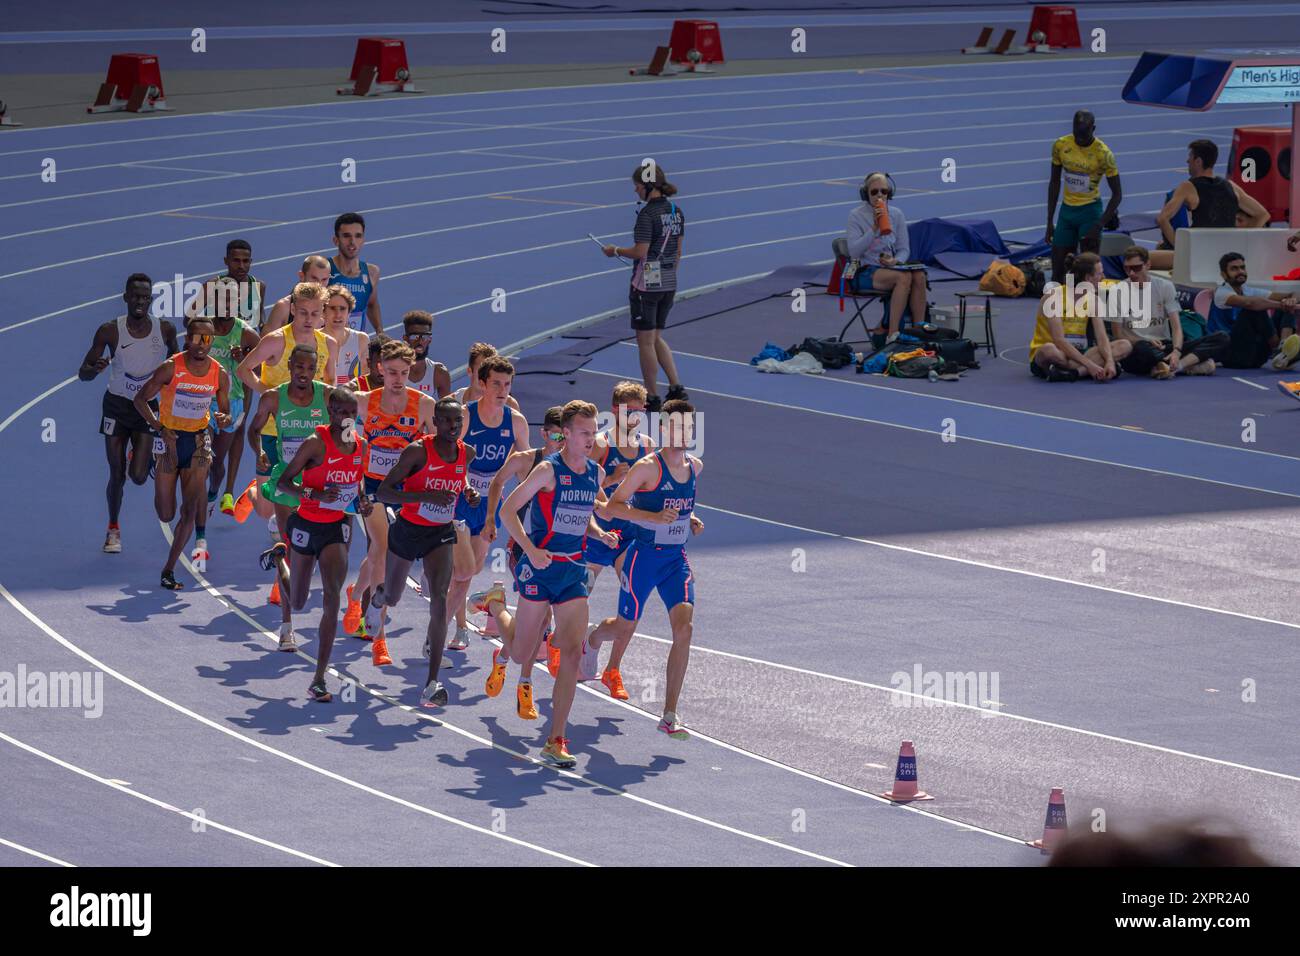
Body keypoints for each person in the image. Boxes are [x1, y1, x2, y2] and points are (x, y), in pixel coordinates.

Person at [499, 400, 617, 767]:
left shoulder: (595, 474)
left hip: (572, 573)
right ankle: (495, 606)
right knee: (521, 654)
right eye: (583, 432)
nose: (591, 438)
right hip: (540, 568)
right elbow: (507, 511)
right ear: (565, 434)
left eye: (594, 431)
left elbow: (582, 515)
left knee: (570, 653)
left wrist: (601, 534)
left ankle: (556, 739)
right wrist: (531, 550)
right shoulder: (547, 471)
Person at [586, 400, 702, 737]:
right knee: (624, 628)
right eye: (677, 427)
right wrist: (651, 518)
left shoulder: (695, 467)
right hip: (643, 559)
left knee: (685, 629)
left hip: (674, 562)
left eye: (688, 428)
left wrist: (690, 519)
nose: (683, 434)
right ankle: (593, 639)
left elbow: (681, 505)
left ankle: (669, 714)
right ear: (664, 428)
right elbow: (611, 509)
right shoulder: (647, 468)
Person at [374, 397, 481, 707]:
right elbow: (383, 491)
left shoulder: (466, 453)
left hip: (441, 533)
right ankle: (377, 598)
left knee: (440, 601)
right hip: (408, 529)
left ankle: (432, 683)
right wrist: (425, 495)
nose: (453, 427)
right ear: (435, 421)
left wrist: (468, 491)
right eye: (447, 421)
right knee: (392, 597)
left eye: (458, 422)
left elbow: (458, 476)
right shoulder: (418, 451)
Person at [275, 386, 372, 703]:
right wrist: (314, 495)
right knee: (300, 601)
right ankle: (280, 560)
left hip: (337, 527)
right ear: (330, 413)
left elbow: (356, 481)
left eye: (352, 414)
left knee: (332, 598)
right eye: (341, 412)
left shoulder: (362, 445)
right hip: (306, 523)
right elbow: (284, 483)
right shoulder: (315, 444)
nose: (347, 418)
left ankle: (318, 678)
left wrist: (361, 500)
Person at [233, 283, 338, 575]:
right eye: (302, 312)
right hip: (273, 431)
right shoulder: (276, 340)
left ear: (322, 314)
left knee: (305, 497)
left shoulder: (328, 343)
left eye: (315, 313)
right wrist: (267, 389)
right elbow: (243, 369)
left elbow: (331, 384)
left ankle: (294, 564)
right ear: (292, 310)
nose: (308, 318)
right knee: (267, 509)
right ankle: (256, 492)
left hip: (310, 433)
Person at [347, 340, 440, 664]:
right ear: (380, 370)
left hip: (405, 488)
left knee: (384, 553)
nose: (398, 379)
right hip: (372, 486)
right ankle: (379, 637)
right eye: (392, 373)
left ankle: (357, 594)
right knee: (383, 548)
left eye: (404, 373)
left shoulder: (425, 405)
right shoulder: (362, 401)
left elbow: (438, 446)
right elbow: (333, 403)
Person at [476, 405, 566, 720]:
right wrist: (491, 517)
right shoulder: (525, 460)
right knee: (540, 621)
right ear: (544, 434)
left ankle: (506, 654)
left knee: (539, 625)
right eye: (556, 435)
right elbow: (497, 482)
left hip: (558, 554)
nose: (561, 442)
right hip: (524, 550)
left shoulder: (574, 466)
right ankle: (497, 610)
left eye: (565, 436)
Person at [79, 273, 179, 553]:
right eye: (135, 296)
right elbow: (82, 374)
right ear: (125, 297)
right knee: (117, 473)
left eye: (145, 297)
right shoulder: (109, 331)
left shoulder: (166, 330)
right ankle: (113, 528)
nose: (140, 301)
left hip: (145, 407)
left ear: (150, 300)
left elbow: (177, 367)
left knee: (137, 476)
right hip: (117, 406)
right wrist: (94, 369)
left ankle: (140, 455)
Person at [132, 317, 232, 590]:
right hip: (169, 440)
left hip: (199, 441)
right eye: (196, 338)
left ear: (213, 341)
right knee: (166, 513)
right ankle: (156, 472)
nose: (201, 344)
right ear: (187, 338)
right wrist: (158, 427)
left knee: (188, 511)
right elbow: (140, 399)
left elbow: (224, 410)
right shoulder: (170, 368)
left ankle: (169, 569)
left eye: (207, 339)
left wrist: (223, 418)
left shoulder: (219, 373)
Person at [245, 346, 330, 650]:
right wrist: (260, 454)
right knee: (294, 551)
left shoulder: (328, 397)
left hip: (320, 484)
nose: (304, 373)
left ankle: (282, 559)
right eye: (299, 367)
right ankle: (286, 627)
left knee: (324, 555)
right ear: (290, 366)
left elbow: (347, 431)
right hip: (286, 482)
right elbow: (253, 430)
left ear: (316, 369)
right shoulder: (273, 397)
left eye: (310, 368)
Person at [445, 355, 531, 651]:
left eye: (507, 384)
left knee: (469, 571)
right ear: (482, 384)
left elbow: (525, 467)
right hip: (459, 499)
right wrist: (465, 484)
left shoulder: (516, 422)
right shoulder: (466, 416)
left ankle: (459, 627)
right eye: (496, 383)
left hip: (489, 505)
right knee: (465, 570)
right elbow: (451, 458)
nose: (502, 389)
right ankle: (441, 632)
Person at [603, 161, 688, 413]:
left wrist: (614, 250)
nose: (636, 191)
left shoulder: (647, 215)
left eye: (638, 186)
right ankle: (675, 386)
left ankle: (651, 396)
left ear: (649, 186)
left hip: (646, 283)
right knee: (656, 337)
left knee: (645, 342)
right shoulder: (676, 210)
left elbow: (640, 251)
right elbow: (679, 250)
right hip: (669, 279)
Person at [188, 262, 261, 544]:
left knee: (217, 465)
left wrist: (243, 355)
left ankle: (214, 492)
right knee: (203, 459)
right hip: (204, 402)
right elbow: (189, 351)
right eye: (222, 299)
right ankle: (198, 516)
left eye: (232, 300)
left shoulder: (246, 333)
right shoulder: (204, 326)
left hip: (232, 405)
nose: (227, 304)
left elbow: (264, 363)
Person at [1149, 140, 1268, 271]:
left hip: (1199, 255)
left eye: (1190, 158)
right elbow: (1262, 215)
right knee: (1160, 247)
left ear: (1198, 161)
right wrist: (1241, 240)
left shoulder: (1188, 187)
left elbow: (1162, 218)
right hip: (1226, 254)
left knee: (1142, 259)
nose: (1187, 162)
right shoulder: (1232, 186)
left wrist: (1180, 248)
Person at [584, 381, 654, 596]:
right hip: (597, 532)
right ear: (615, 410)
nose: (635, 417)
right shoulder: (600, 444)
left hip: (629, 534)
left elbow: (654, 486)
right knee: (576, 597)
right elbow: (581, 486)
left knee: (632, 591)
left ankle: (619, 630)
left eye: (640, 411)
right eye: (630, 411)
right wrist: (611, 479)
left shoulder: (647, 445)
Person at [1112, 246, 1225, 377]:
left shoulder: (1164, 286)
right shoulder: (1118, 291)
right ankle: (1183, 364)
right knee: (1143, 350)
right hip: (1138, 348)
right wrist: (1141, 341)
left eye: (1136, 268)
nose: (1131, 273)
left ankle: (1173, 366)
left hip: (1164, 345)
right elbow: (1118, 334)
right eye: (1127, 269)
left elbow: (1176, 327)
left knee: (1221, 337)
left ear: (1148, 265)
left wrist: (1176, 351)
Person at [845, 172, 929, 343]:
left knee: (919, 275)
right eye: (874, 192)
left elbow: (904, 249)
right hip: (865, 270)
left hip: (890, 267)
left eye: (883, 191)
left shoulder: (896, 214)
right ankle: (892, 334)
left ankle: (919, 328)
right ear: (865, 194)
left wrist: (895, 261)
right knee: (903, 277)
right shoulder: (856, 215)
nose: (879, 196)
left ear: (889, 193)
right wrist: (874, 228)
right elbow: (853, 252)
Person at [1028, 253, 1133, 381]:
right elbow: (1059, 340)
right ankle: (1084, 370)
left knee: (1124, 345)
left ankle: (1073, 373)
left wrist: (1110, 361)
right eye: (1100, 274)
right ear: (1088, 278)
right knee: (1049, 350)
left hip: (1082, 352)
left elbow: (1101, 337)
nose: (1104, 277)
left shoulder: (1093, 300)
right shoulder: (1054, 297)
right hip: (1057, 352)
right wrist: (1090, 364)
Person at [1046, 110, 1122, 283]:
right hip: (1066, 213)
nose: (1079, 139)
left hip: (1090, 213)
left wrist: (1099, 224)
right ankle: (1060, 309)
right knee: (1059, 272)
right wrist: (1050, 221)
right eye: (1076, 134)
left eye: (1084, 135)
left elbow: (1117, 195)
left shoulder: (1104, 154)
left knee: (1088, 275)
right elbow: (1054, 182)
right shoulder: (1061, 145)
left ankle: (1089, 309)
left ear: (1093, 128)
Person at [1208, 252, 1300, 369]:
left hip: (1254, 354)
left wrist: (1291, 300)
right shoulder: (1221, 292)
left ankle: (1284, 349)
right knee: (1254, 308)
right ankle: (1280, 350)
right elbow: (1250, 303)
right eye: (1234, 269)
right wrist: (1283, 305)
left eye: (1242, 267)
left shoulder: (1248, 290)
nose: (1240, 271)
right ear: (1224, 275)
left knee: (1285, 304)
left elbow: (1293, 294)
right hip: (1231, 355)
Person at [329, 212, 382, 335]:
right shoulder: (324, 270)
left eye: (358, 236)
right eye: (346, 236)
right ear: (336, 240)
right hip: (326, 346)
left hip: (355, 346)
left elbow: (372, 304)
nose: (352, 241)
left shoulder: (371, 272)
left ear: (363, 240)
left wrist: (380, 331)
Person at [262, 256, 332, 334]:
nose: (319, 284)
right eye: (314, 278)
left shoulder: (333, 308)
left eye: (324, 279)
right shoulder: (283, 308)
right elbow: (264, 342)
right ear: (301, 276)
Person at [454, 342, 520, 411]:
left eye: (489, 372)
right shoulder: (451, 403)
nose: (485, 377)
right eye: (481, 371)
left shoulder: (510, 405)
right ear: (469, 372)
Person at [324, 285, 368, 386]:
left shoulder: (361, 339)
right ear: (323, 312)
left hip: (351, 399)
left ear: (349, 313)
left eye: (342, 309)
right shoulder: (314, 338)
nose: (338, 314)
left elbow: (367, 377)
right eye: (332, 308)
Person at [401, 310, 451, 398]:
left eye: (424, 337)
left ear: (430, 340)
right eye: (415, 336)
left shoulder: (439, 373)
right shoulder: (392, 370)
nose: (420, 341)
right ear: (405, 338)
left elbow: (446, 409)